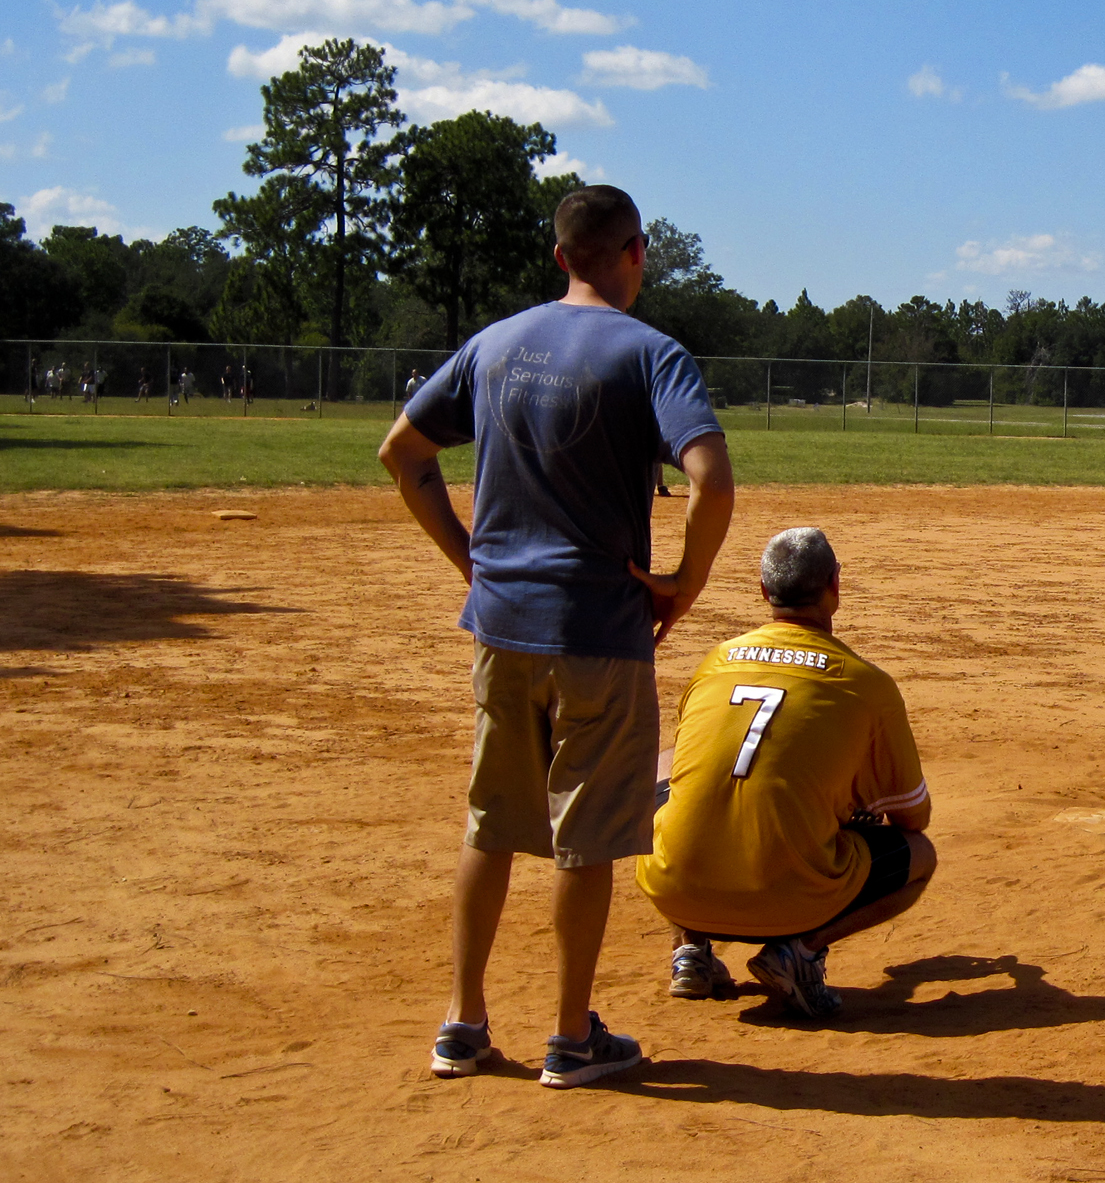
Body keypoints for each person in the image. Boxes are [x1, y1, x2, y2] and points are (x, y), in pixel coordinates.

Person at [377, 184, 737, 1090]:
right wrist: (682, 588)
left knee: (491, 824)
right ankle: (572, 1039)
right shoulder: (652, 353)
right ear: (636, 253)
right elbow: (711, 478)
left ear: (558, 256)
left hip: (501, 625)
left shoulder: (494, 344)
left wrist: (472, 561)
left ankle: (462, 1025)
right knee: (586, 837)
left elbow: (402, 452)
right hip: (599, 630)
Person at [636, 527, 935, 1020]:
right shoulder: (868, 684)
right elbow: (912, 818)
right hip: (790, 899)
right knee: (920, 857)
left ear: (763, 591)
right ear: (835, 587)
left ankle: (690, 950)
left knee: (675, 769)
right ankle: (800, 951)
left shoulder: (715, 661)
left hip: (676, 889)